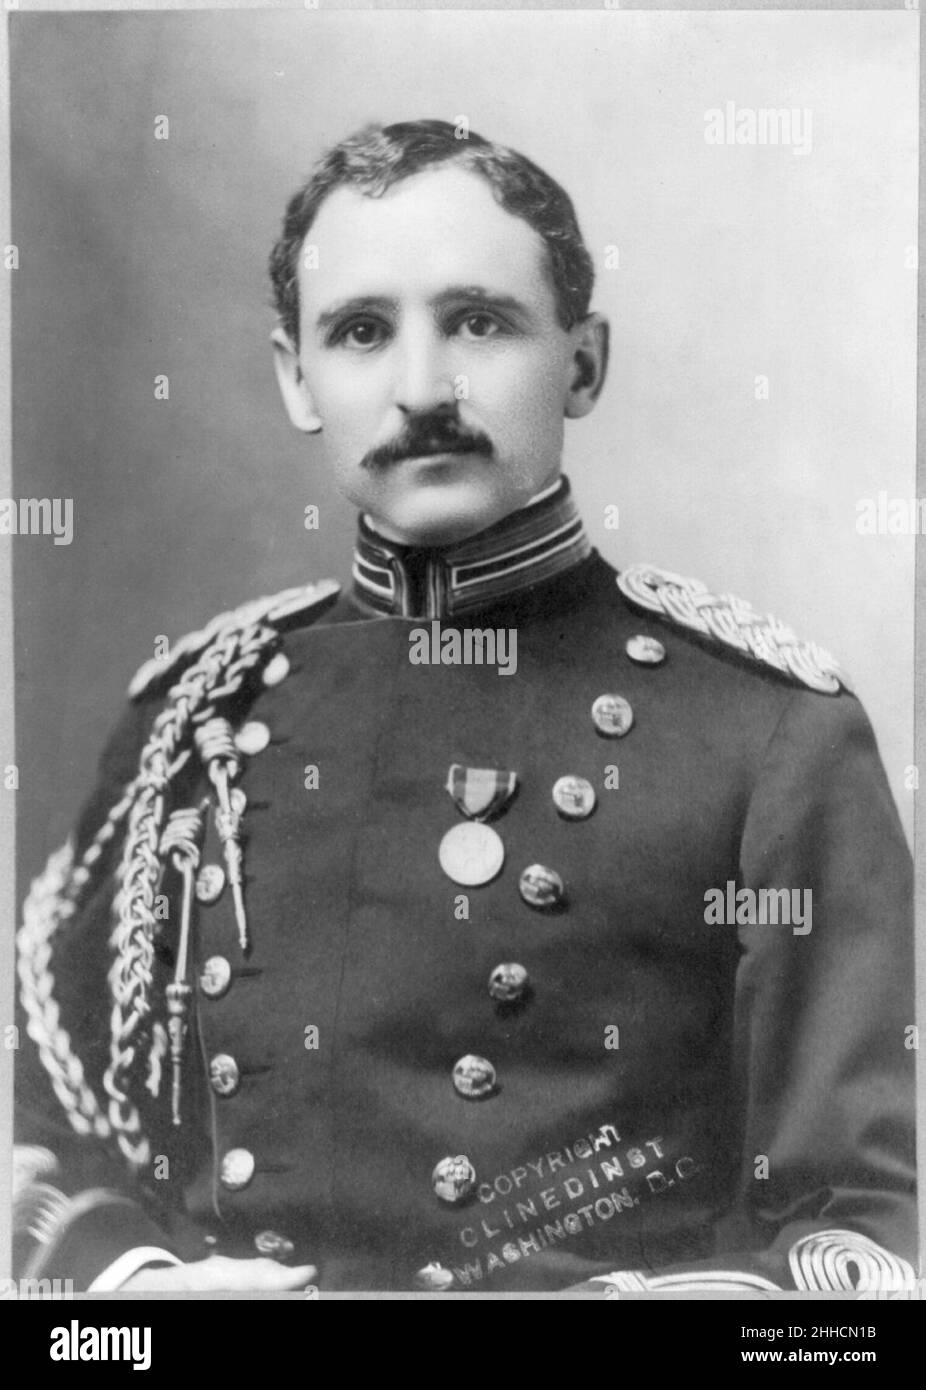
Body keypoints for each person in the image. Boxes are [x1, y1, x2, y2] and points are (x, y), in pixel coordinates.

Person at [14, 119, 916, 1295]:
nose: (421, 388)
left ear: (582, 363)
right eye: (360, 332)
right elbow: (47, 1123)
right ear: (296, 376)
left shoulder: (762, 730)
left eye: (479, 321)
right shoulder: (188, 725)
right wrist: (127, 1285)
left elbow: (871, 1228)